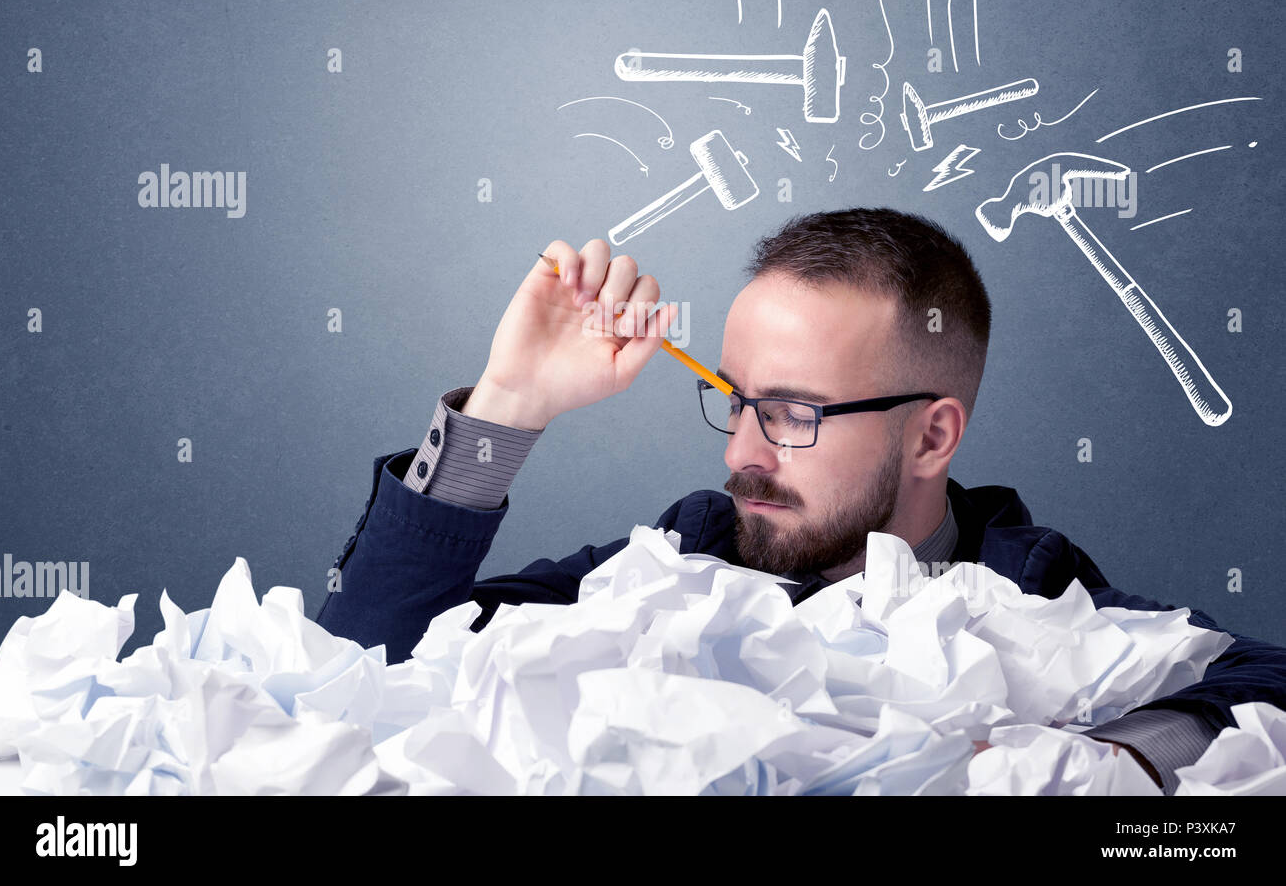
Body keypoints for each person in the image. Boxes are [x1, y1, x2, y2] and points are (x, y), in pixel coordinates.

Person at [315, 208, 1286, 795]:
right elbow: (366, 658)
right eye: (733, 402)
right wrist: (509, 405)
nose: (740, 453)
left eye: (790, 414)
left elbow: (1265, 684)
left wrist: (1106, 761)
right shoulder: (673, 560)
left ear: (932, 435)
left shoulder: (1028, 597)